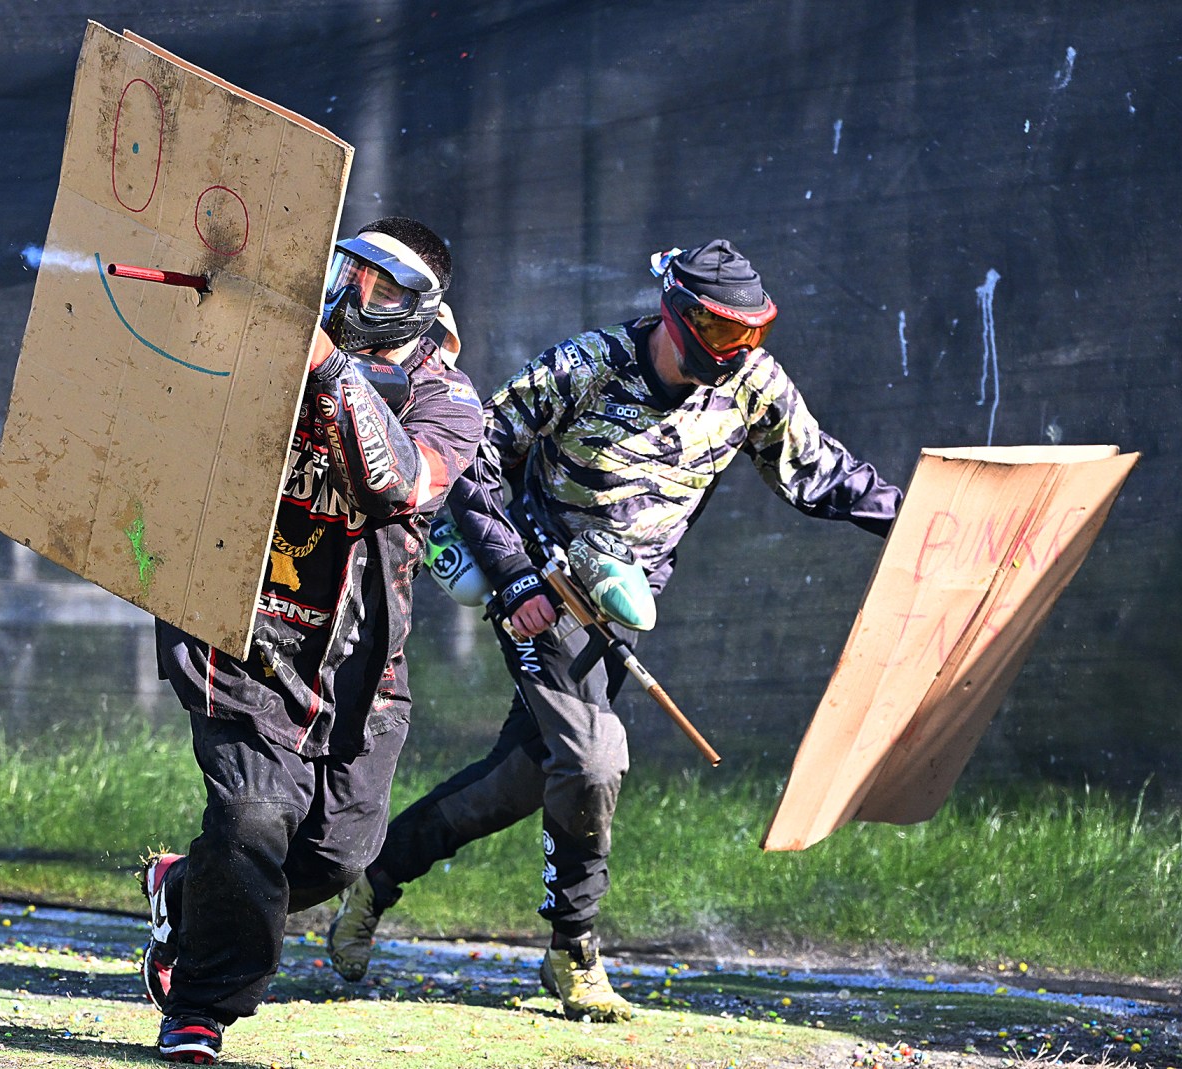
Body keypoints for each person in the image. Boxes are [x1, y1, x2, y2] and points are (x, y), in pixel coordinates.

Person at [326, 239, 903, 1022]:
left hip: (620, 605)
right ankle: (574, 947)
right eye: (726, 334)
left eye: (752, 336)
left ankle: (379, 875)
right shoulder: (590, 365)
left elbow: (821, 474)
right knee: (596, 759)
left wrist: (921, 524)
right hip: (541, 585)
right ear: (682, 316)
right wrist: (516, 575)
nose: (738, 354)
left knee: (526, 776)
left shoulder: (752, 388)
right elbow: (471, 450)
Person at [140, 216, 483, 1064]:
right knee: (255, 816)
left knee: (332, 856)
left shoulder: (449, 402)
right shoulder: (268, 351)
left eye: (386, 288)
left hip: (362, 665)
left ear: (423, 307)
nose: (358, 296)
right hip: (244, 635)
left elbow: (398, 480)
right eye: (350, 271)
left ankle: (187, 886)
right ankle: (201, 1006)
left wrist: (327, 367)